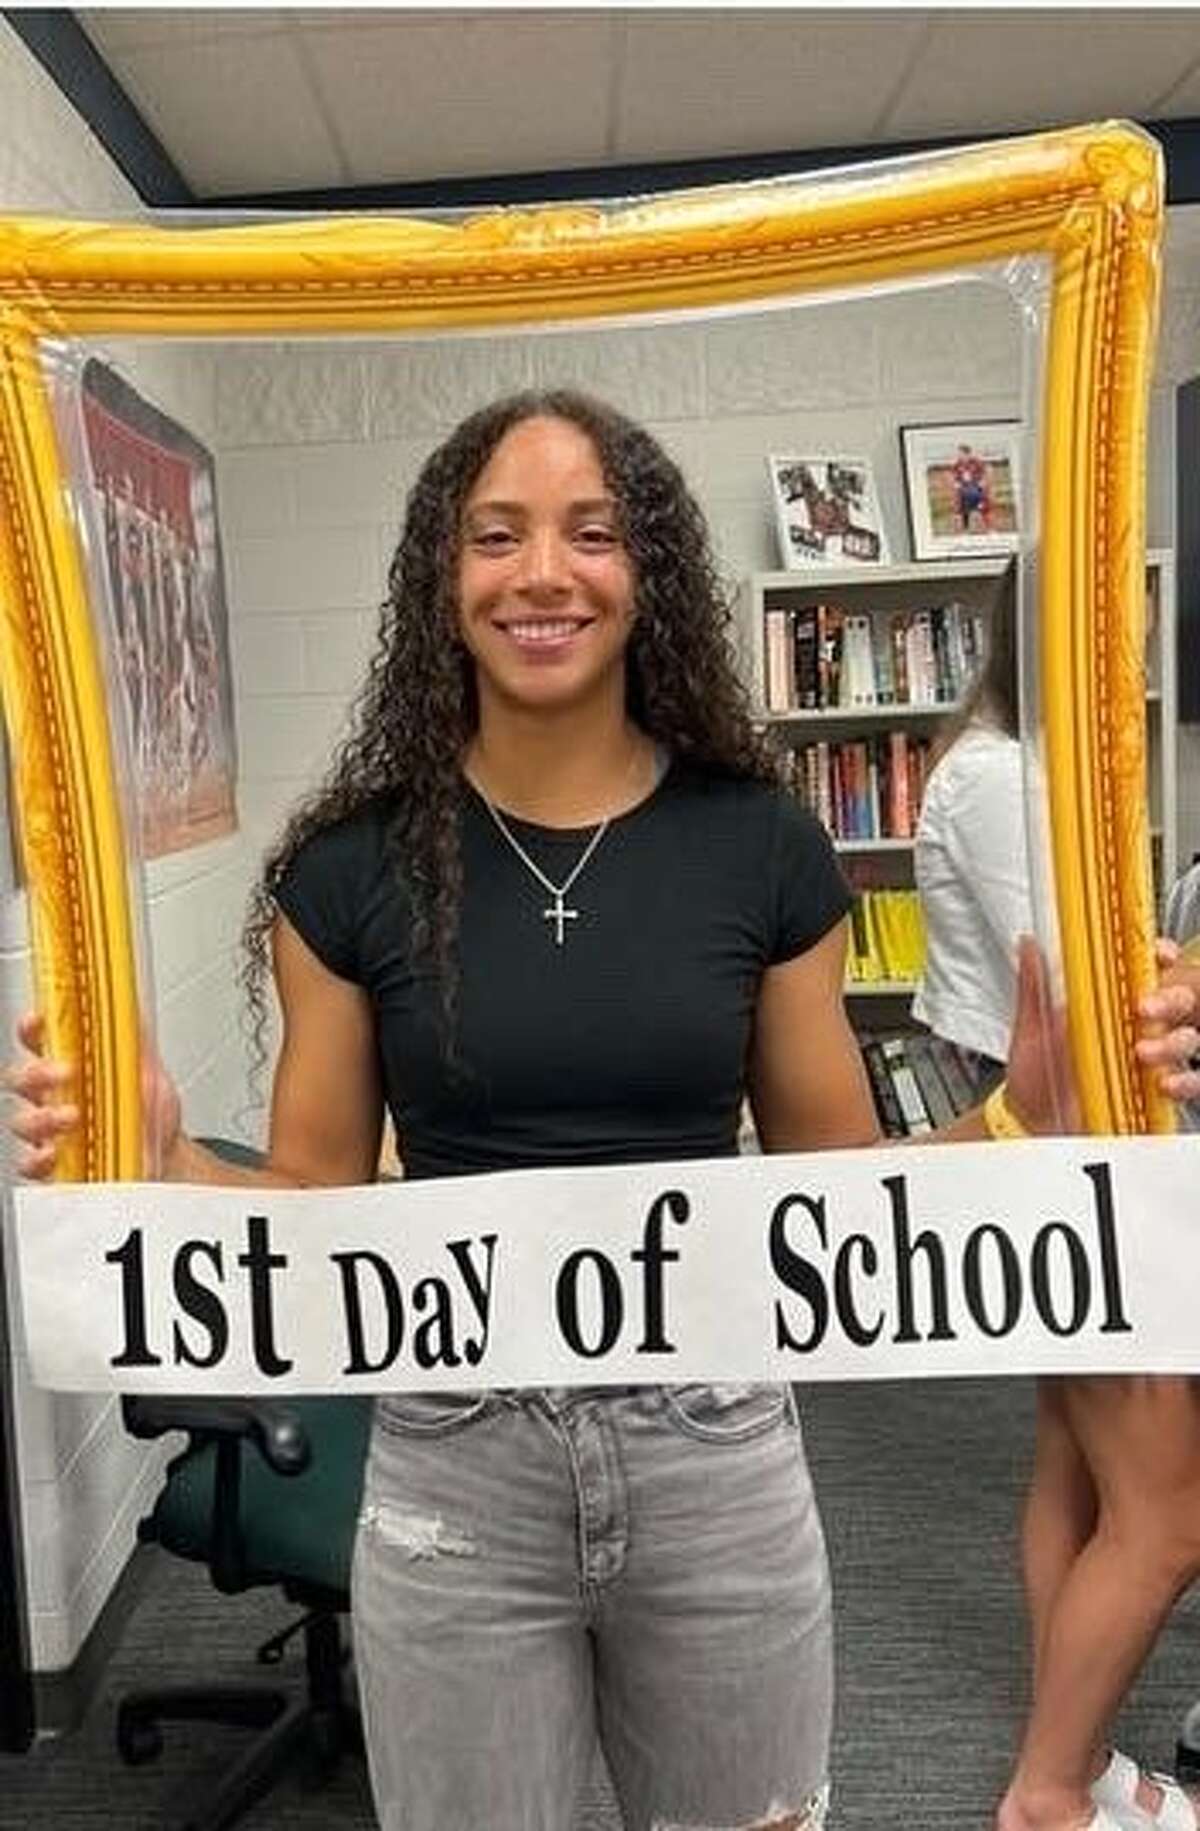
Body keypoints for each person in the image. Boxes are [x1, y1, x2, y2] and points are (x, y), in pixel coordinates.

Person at [8, 391, 1198, 1831]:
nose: (544, 573)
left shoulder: (758, 843)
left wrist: (1026, 1117)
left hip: (716, 1441)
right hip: (456, 1456)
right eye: (496, 535)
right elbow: (313, 1205)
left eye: (592, 532)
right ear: (442, 583)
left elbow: (831, 1183)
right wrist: (164, 1159)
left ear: (651, 575)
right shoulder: (348, 870)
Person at [914, 573, 1200, 1831]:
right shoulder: (1002, 779)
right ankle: (1049, 1786)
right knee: (1169, 1507)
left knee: (1080, 1458)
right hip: (1054, 1133)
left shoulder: (1020, 766)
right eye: (1116, 647)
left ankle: (1063, 1751)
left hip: (1068, 1132)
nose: (1132, 676)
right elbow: (1082, 979)